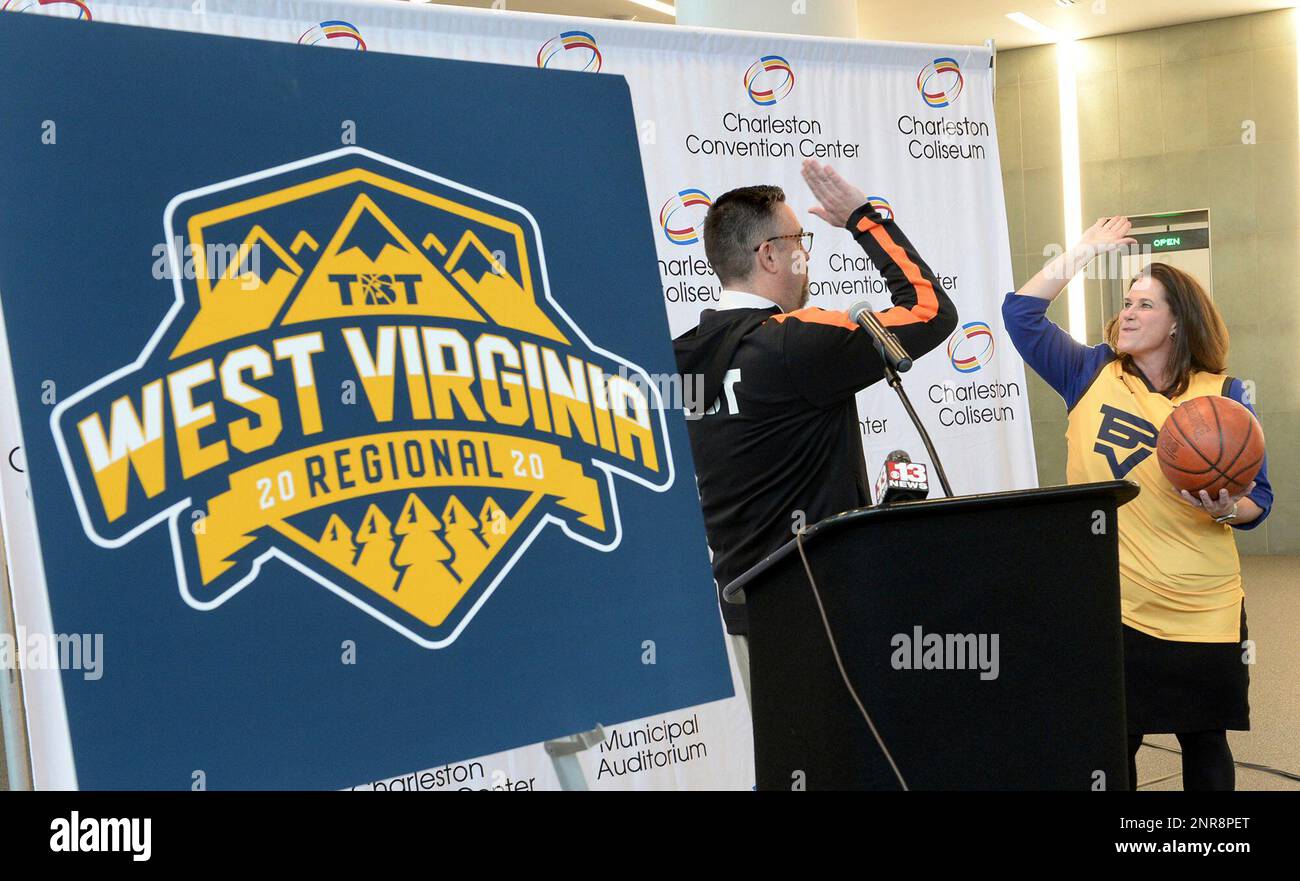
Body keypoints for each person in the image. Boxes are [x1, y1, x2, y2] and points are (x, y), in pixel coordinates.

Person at [1002, 217, 1273, 791]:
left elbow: (1260, 500)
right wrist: (1083, 251)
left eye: (1145, 305)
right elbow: (1020, 315)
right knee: (1112, 737)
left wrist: (1226, 508)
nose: (1127, 313)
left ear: (1178, 322)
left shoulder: (1225, 395)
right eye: (1126, 302)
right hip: (1113, 597)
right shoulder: (1088, 371)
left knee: (1204, 739)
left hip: (1203, 599)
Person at [673, 160, 957, 700]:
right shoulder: (794, 341)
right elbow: (930, 310)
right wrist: (863, 220)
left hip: (746, 606)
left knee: (788, 762)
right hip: (825, 607)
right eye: (800, 240)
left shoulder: (679, 357)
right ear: (769, 254)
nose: (808, 254)